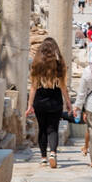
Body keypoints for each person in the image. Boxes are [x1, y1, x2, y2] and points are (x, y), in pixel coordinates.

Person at [26, 37, 72, 169]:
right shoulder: (59, 64)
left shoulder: (37, 64)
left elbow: (33, 87)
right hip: (55, 98)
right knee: (53, 129)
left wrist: (30, 105)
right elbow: (63, 86)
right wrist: (68, 103)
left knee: (42, 129)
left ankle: (43, 158)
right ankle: (53, 153)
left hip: (40, 99)